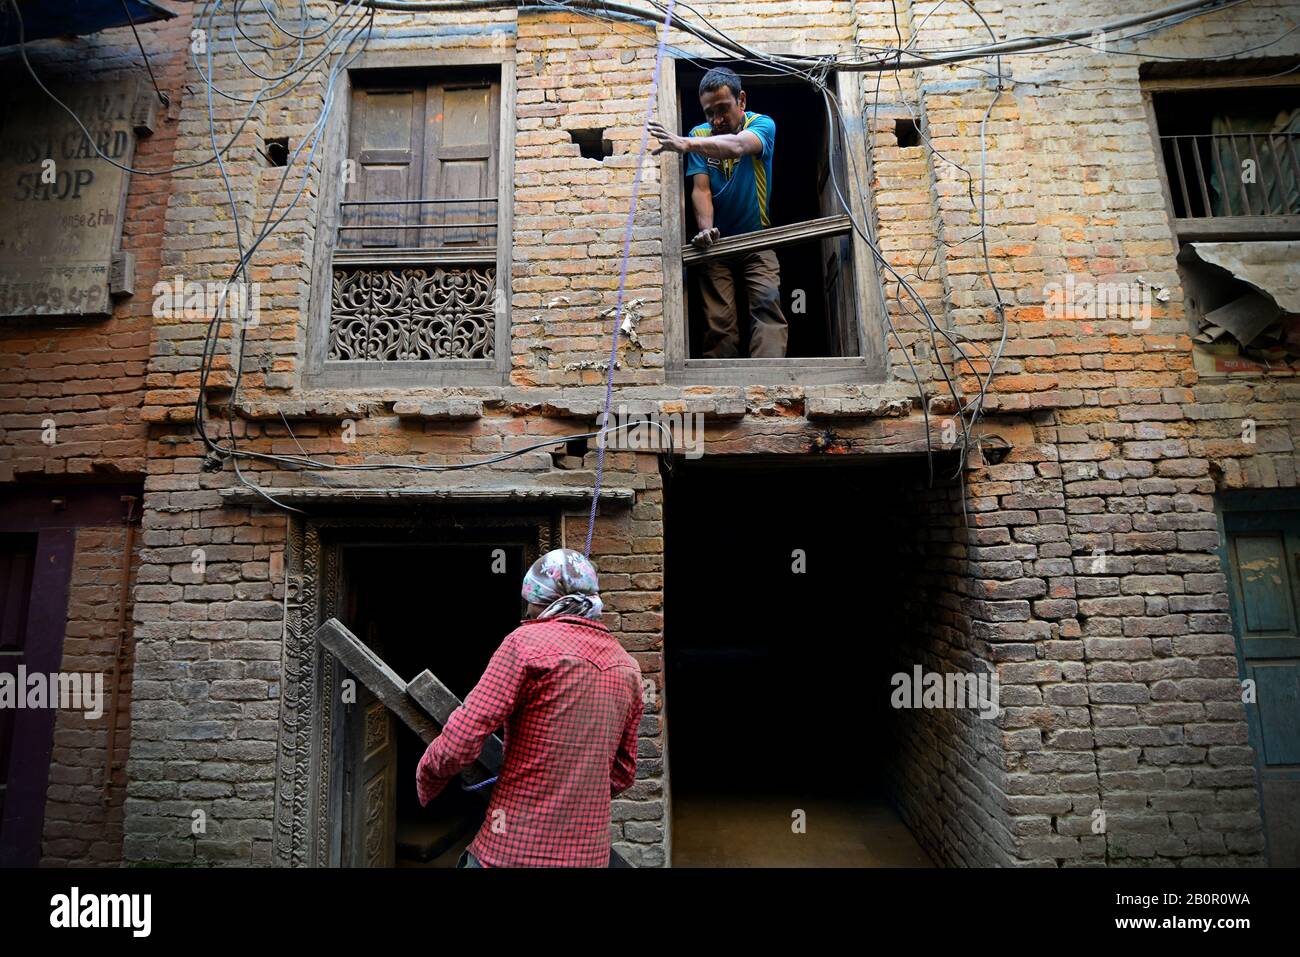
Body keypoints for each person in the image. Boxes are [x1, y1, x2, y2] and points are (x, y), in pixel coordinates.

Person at [415, 548, 644, 868]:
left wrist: (428, 778)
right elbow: (622, 774)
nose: (529, 610)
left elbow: (462, 739)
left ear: (542, 600)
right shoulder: (628, 667)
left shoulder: (525, 644)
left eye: (531, 600)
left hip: (514, 850)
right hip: (588, 855)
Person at [649, 66, 788, 358]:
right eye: (709, 112)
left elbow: (738, 146)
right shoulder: (700, 134)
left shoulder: (762, 125)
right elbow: (702, 190)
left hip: (757, 238)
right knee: (719, 322)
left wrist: (686, 145)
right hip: (718, 243)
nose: (717, 120)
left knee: (767, 304)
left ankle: (769, 384)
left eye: (723, 109)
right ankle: (721, 389)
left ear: (742, 101)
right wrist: (706, 230)